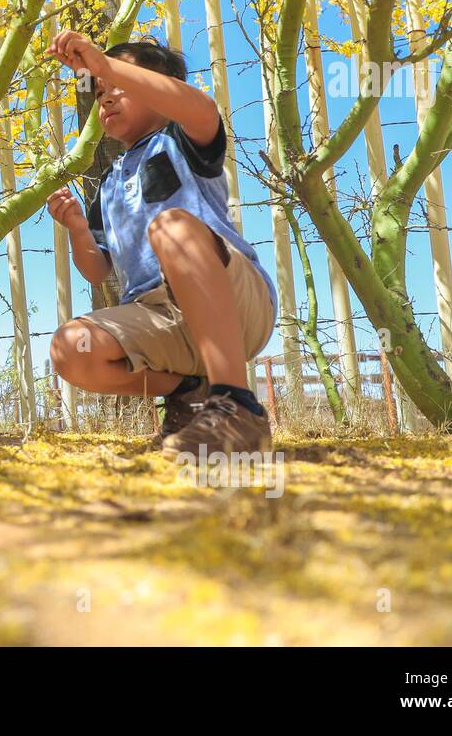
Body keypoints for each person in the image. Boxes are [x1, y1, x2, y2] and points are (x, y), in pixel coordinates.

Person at [45, 30, 278, 458]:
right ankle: (190, 394)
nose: (106, 97)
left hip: (234, 302)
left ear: (161, 90)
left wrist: (104, 65)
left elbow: (201, 107)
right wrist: (78, 227)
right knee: (70, 348)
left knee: (170, 226)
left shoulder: (184, 139)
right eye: (99, 93)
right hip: (162, 321)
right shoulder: (110, 183)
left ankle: (237, 406)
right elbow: (98, 270)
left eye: (119, 85)